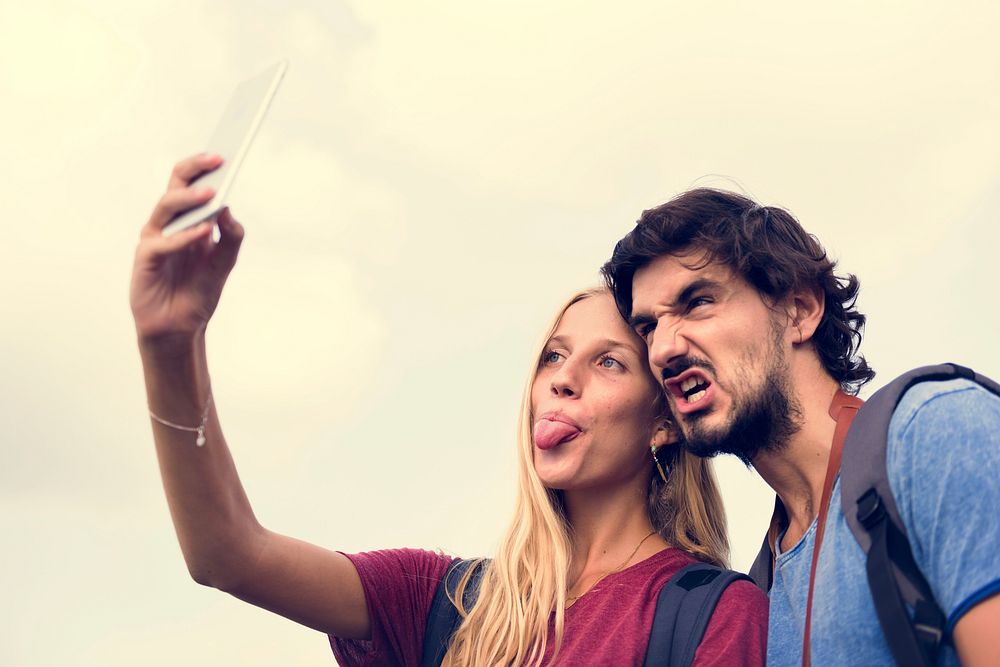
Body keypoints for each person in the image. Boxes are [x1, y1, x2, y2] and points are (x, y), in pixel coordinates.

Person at [129, 154, 768, 666]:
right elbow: (227, 555)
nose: (562, 381)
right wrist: (169, 346)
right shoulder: (444, 602)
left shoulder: (713, 615)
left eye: (608, 362)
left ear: (662, 420)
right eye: (552, 356)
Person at [601, 188, 1000, 666]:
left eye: (698, 302)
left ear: (800, 310)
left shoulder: (933, 430)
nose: (663, 348)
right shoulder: (759, 588)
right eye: (648, 327)